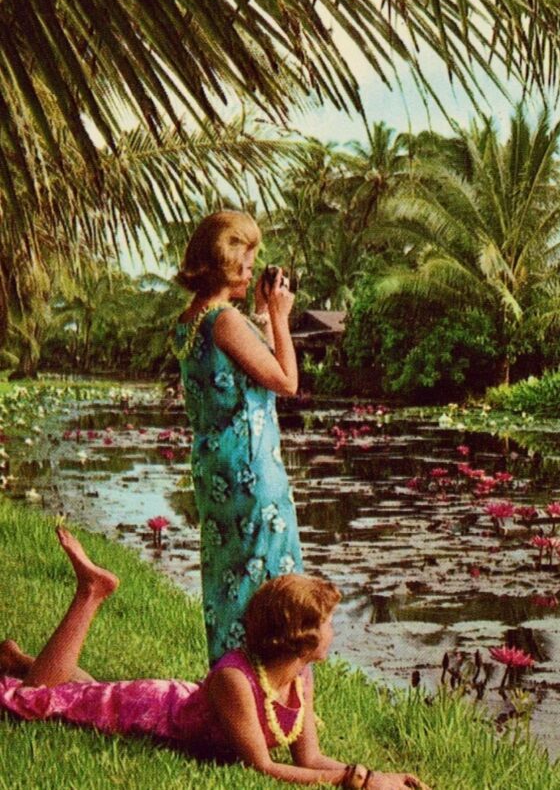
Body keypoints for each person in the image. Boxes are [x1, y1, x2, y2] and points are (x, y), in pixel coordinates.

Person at [0, 528, 425, 789]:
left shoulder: (301, 675)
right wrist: (354, 780)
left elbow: (309, 761)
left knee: (82, 691)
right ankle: (90, 592)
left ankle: (18, 658)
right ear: (300, 638)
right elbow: (261, 766)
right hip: (148, 712)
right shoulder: (236, 680)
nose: (335, 633)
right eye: (328, 624)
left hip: (177, 701)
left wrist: (376, 778)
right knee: (37, 698)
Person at [173, 210, 304, 664]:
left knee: (232, 579)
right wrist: (282, 317)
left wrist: (265, 314)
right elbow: (286, 382)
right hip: (252, 472)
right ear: (226, 264)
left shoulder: (191, 320)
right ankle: (274, 691)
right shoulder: (225, 320)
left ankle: (236, 681)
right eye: (246, 264)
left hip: (217, 469)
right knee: (274, 580)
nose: (251, 272)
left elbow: (248, 366)